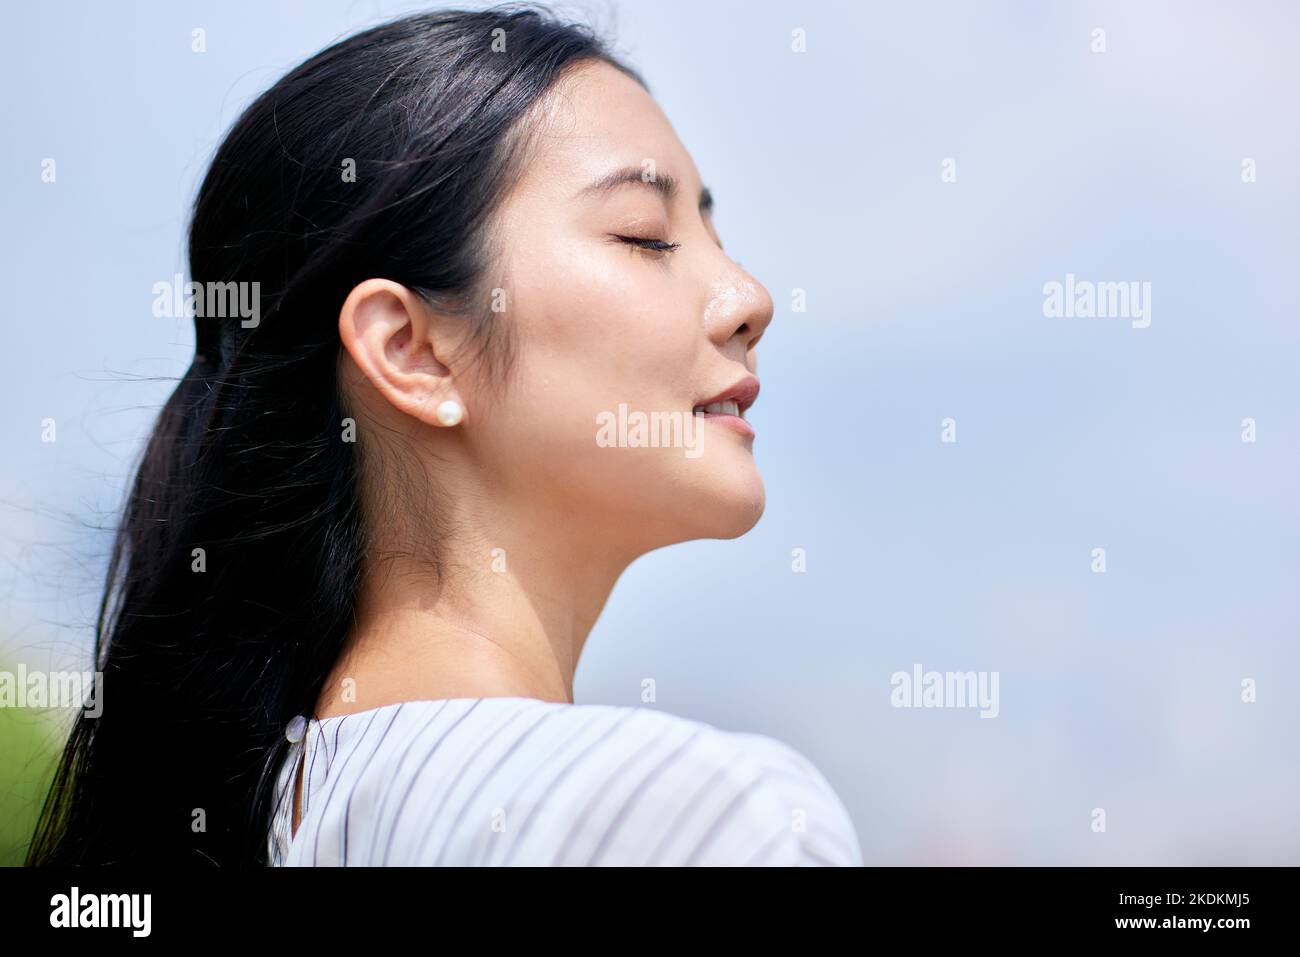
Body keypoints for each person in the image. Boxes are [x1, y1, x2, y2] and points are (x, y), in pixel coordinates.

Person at [28, 5, 862, 867]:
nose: (749, 297)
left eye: (715, 237)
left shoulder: (256, 819)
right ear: (412, 350)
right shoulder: (694, 817)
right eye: (646, 237)